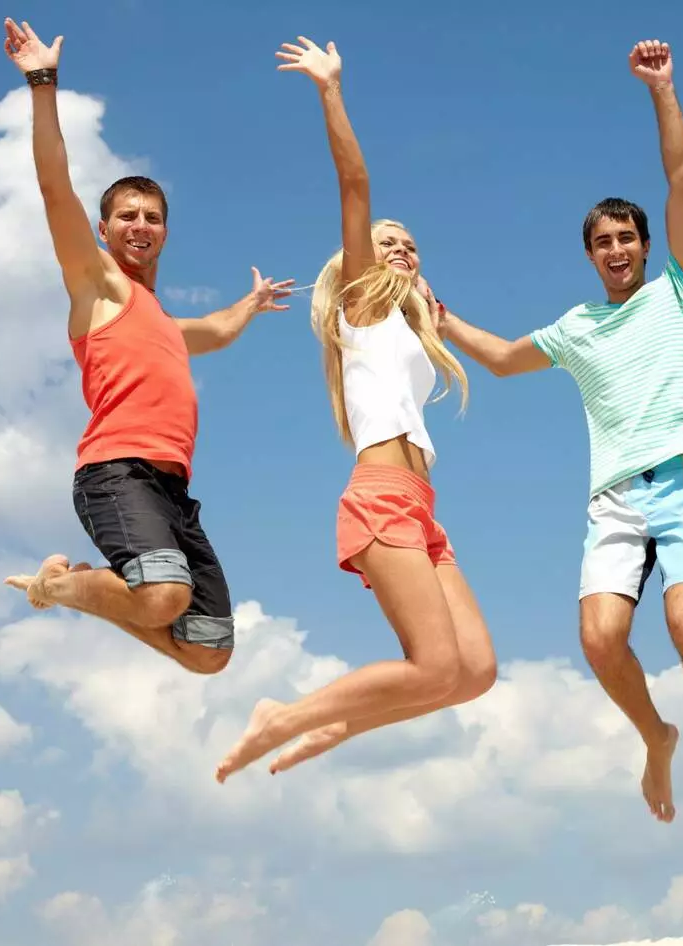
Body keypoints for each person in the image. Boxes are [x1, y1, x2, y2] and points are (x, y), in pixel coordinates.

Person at [439, 40, 683, 824]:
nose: (616, 250)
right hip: (614, 500)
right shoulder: (578, 326)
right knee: (601, 640)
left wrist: (662, 90)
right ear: (590, 255)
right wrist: (437, 317)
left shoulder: (682, 292)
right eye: (602, 242)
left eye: (626, 238)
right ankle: (657, 734)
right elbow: (507, 361)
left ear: (647, 247)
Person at [214, 35, 496, 782]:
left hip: (421, 506)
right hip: (380, 501)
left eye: (411, 243)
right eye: (387, 241)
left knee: (473, 673)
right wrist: (330, 90)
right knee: (433, 662)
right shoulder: (359, 309)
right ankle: (287, 714)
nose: (402, 247)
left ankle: (334, 725)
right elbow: (355, 185)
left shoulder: (406, 328)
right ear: (361, 259)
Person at [0, 18, 294, 674]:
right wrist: (42, 84)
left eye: (152, 217)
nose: (140, 224)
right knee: (163, 596)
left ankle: (76, 585)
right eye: (127, 215)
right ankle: (61, 587)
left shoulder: (159, 319)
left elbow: (210, 334)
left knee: (208, 649)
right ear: (103, 230)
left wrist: (249, 306)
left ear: (165, 233)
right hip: (116, 472)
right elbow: (54, 188)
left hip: (171, 489)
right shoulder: (99, 287)